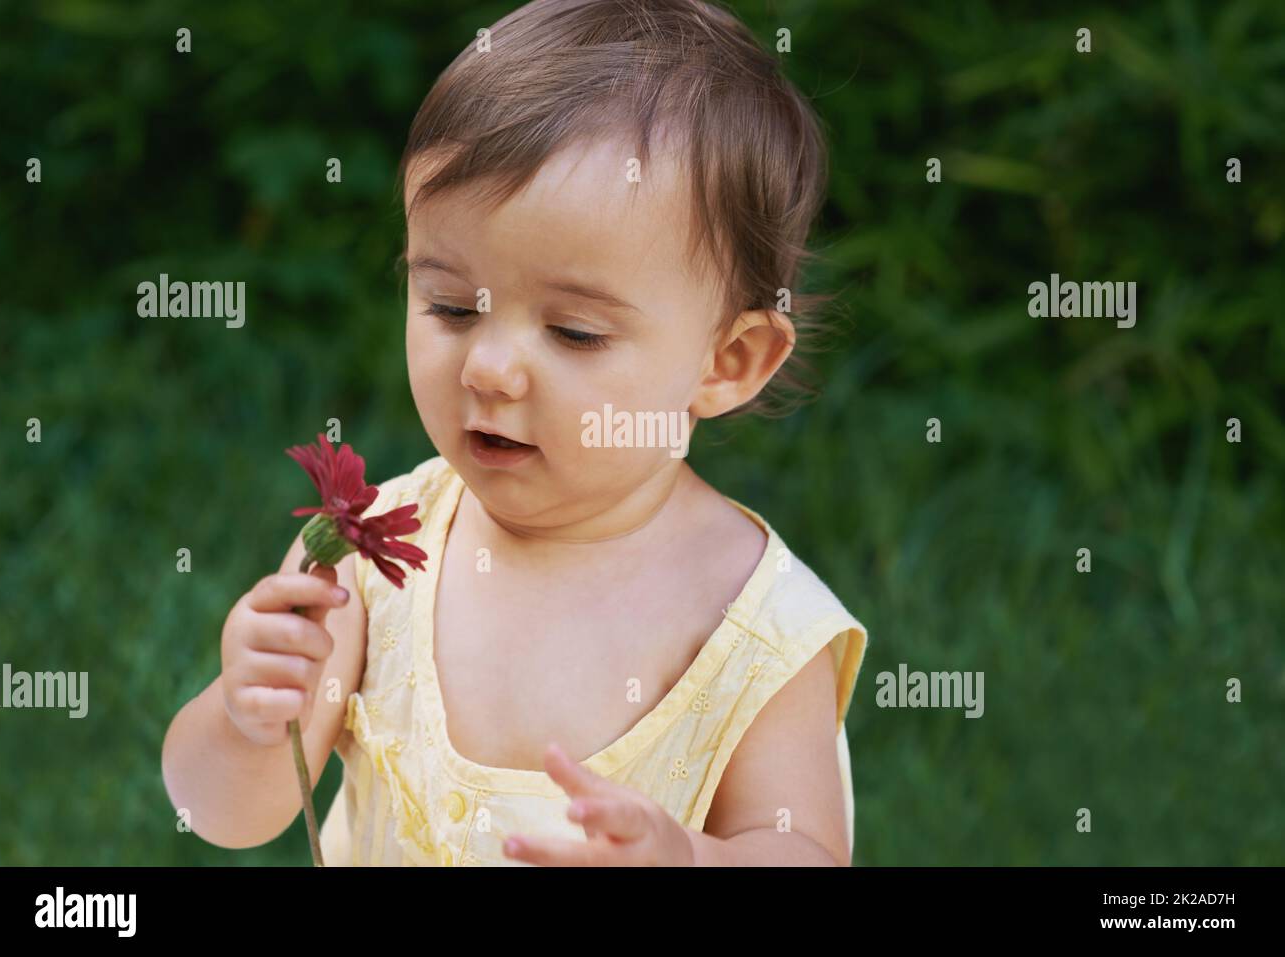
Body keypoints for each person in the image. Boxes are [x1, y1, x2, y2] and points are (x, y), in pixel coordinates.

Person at [163, 0, 868, 866]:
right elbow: (222, 813)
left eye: (574, 332)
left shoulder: (755, 627)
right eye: (452, 306)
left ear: (728, 359)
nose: (489, 368)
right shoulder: (371, 560)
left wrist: (687, 857)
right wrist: (243, 718)